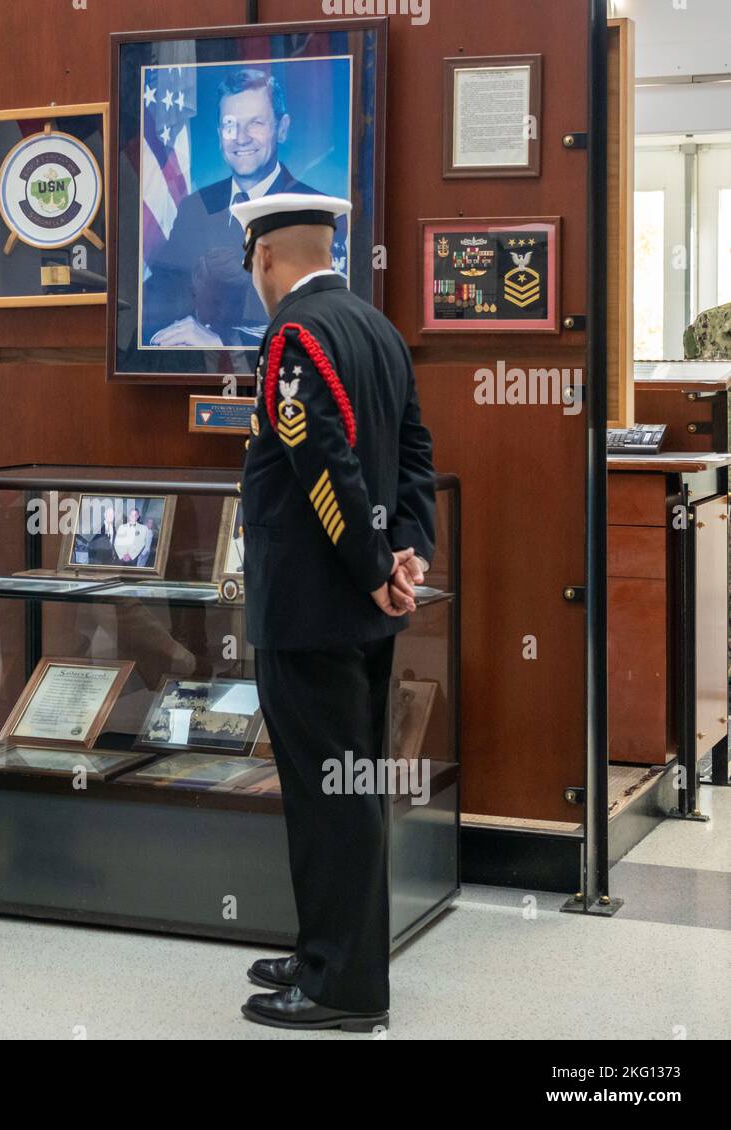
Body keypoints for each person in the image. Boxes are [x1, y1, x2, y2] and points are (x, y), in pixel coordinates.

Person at [231, 192, 436, 1031]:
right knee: (345, 788)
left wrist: (368, 567)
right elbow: (416, 449)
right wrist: (406, 555)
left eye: (252, 262)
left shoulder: (293, 335)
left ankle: (342, 988)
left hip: (317, 606)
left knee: (329, 793)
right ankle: (327, 948)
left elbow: (321, 464)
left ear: (265, 257)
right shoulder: (376, 327)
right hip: (366, 602)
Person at [142, 68, 349, 349]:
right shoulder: (196, 207)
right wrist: (154, 337)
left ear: (283, 128)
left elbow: (319, 331)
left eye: (256, 123)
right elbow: (159, 296)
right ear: (219, 134)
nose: (241, 137)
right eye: (230, 124)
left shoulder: (317, 213)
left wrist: (224, 345)